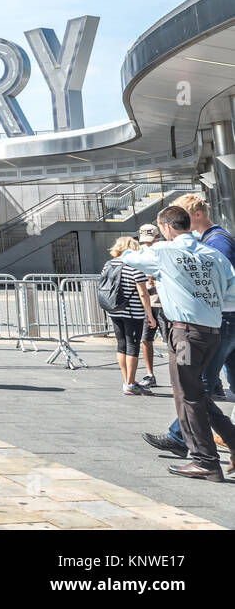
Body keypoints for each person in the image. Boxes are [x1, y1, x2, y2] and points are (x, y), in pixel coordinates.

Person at [125, 205, 235, 480]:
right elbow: (230, 292)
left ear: (166, 228)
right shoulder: (212, 254)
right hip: (212, 329)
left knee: (188, 396)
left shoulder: (164, 251)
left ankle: (205, 460)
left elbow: (131, 259)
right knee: (195, 393)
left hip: (184, 332)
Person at [172, 194, 235, 400]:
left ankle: (179, 432)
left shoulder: (216, 241)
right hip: (225, 314)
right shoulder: (215, 238)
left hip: (224, 315)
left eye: (185, 216)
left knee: (201, 381)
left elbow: (220, 278)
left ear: (198, 215)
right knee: (211, 378)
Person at [102, 236, 156, 395]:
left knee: (121, 344)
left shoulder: (109, 264)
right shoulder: (134, 265)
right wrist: (150, 315)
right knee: (133, 346)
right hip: (133, 311)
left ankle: (127, 380)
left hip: (114, 308)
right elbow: (143, 293)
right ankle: (131, 383)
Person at [137, 224, 165, 388]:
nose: (148, 244)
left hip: (163, 304)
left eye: (151, 241)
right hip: (148, 302)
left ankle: (179, 373)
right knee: (146, 339)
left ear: (158, 237)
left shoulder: (164, 252)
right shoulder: (140, 254)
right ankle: (150, 374)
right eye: (145, 241)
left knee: (172, 342)